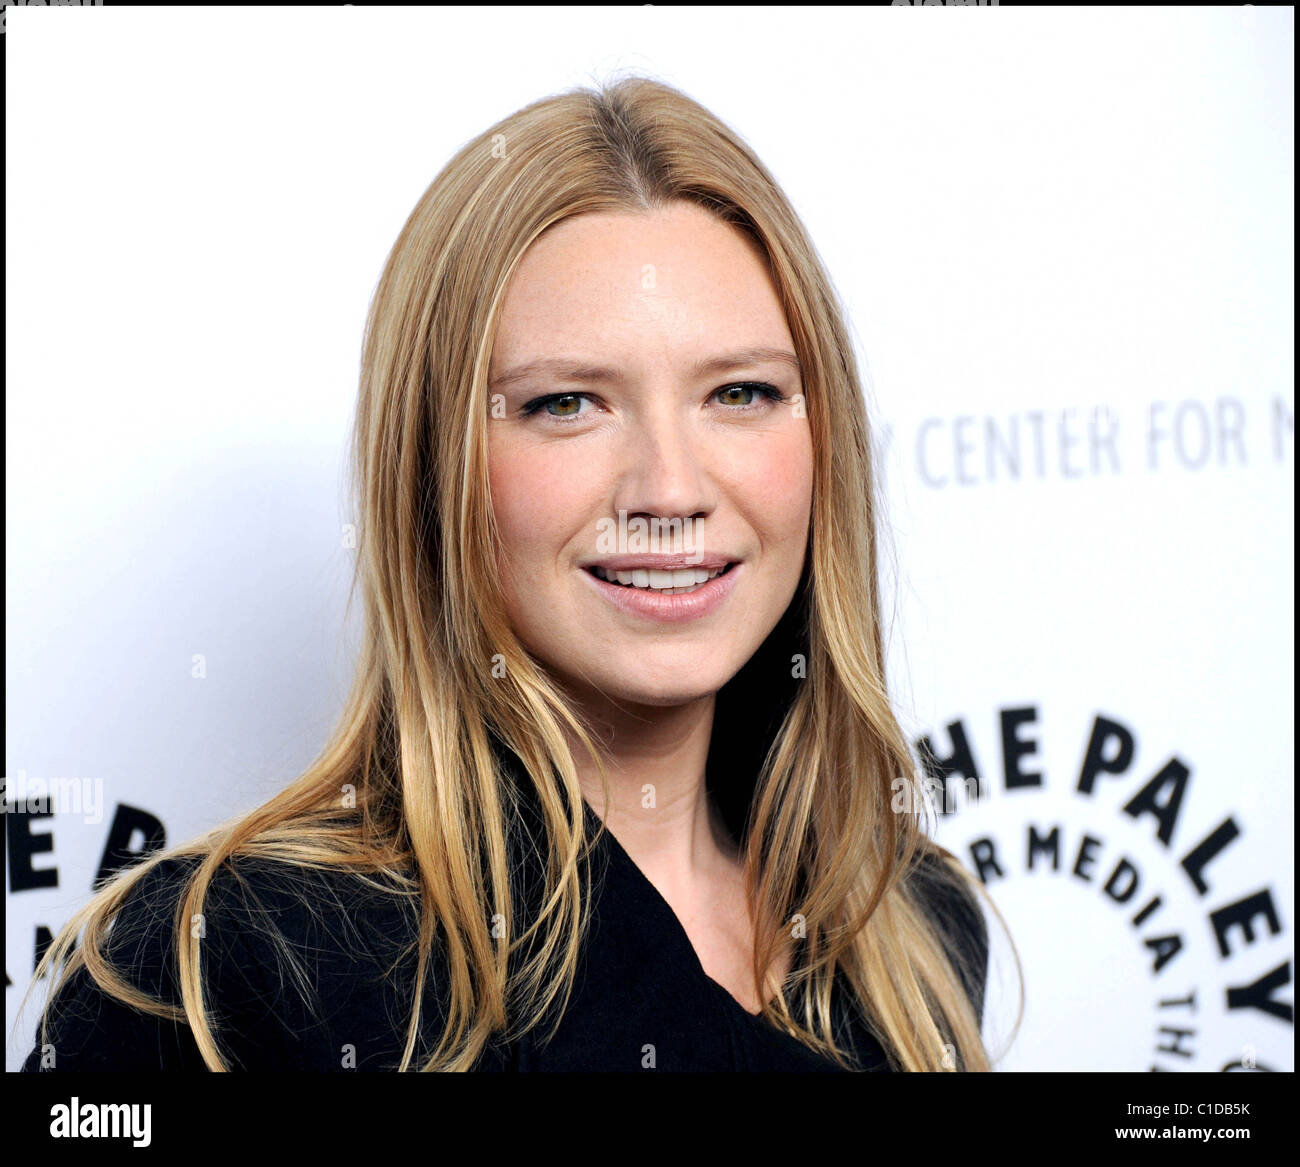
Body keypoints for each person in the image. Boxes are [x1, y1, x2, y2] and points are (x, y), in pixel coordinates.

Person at [20, 74, 1008, 1073]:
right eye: (567, 404)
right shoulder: (226, 966)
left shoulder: (909, 928)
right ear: (433, 471)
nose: (669, 487)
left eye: (741, 392)